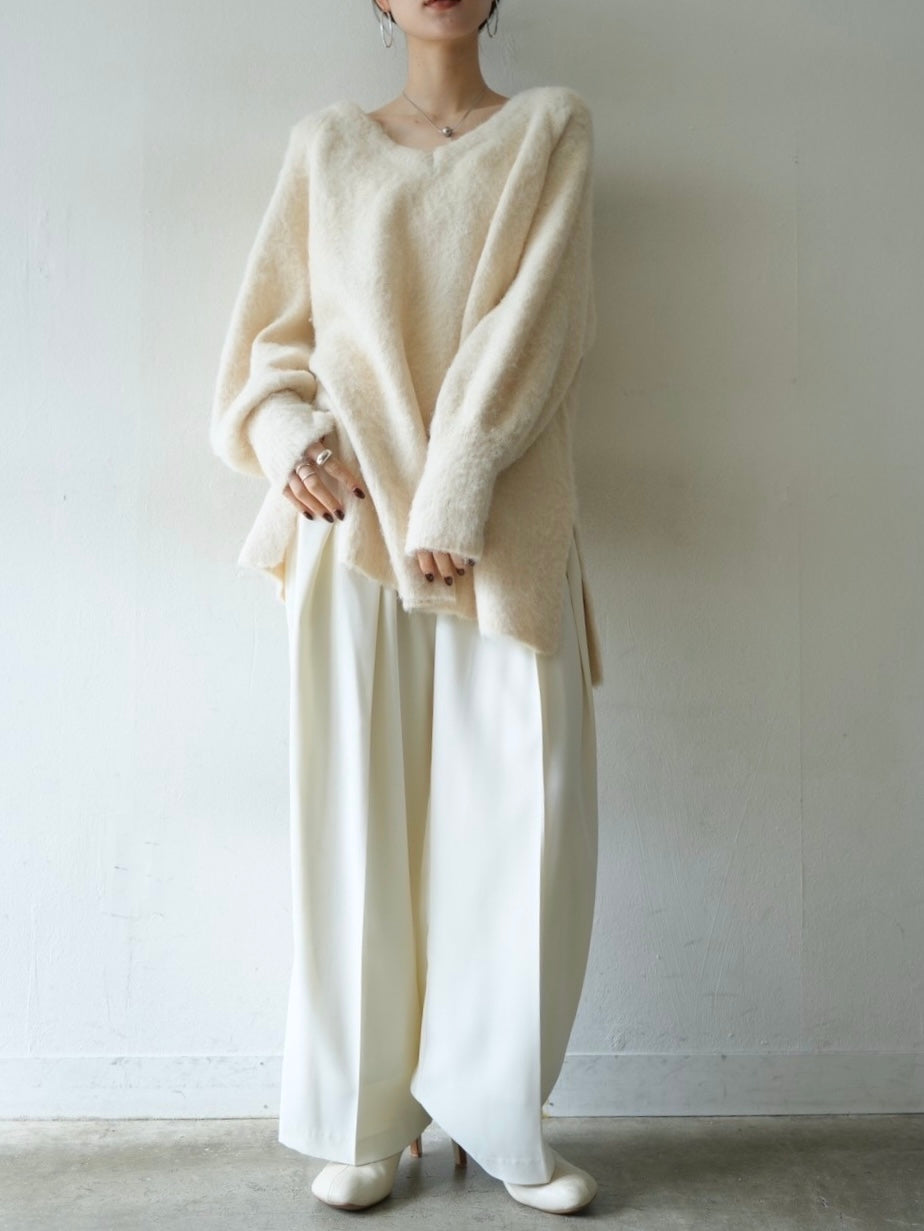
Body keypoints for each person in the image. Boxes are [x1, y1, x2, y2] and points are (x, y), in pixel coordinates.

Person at [209, 0, 603, 1215]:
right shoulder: (325, 147)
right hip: (349, 524)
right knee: (355, 824)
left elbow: (541, 324)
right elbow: (267, 344)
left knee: (519, 817)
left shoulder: (550, 130)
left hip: (503, 519)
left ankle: (500, 1114)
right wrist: (286, 434)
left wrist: (459, 482)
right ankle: (366, 1117)